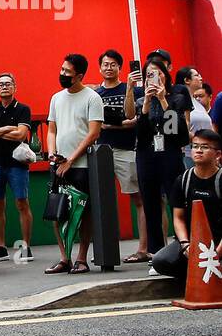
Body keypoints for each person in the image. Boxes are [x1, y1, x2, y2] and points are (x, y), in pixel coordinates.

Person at [45, 53, 104, 274]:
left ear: (79, 75)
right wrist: (52, 154)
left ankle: (81, 258)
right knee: (56, 210)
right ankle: (64, 257)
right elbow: (52, 129)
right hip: (58, 163)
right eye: (62, 70)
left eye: (67, 72)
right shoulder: (56, 98)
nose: (62, 74)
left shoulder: (92, 98)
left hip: (82, 165)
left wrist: (71, 159)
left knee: (83, 212)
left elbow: (94, 133)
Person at [127, 58, 192, 256]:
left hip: (169, 153)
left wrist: (163, 100)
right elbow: (142, 133)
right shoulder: (141, 101)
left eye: (158, 73)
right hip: (147, 155)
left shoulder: (177, 98)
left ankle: (186, 247)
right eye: (149, 74)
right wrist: (146, 103)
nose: (154, 78)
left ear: (166, 75)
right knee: (150, 203)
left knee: (177, 200)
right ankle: (155, 252)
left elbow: (175, 132)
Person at [93, 51, 151, 264]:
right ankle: (104, 250)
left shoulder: (134, 91)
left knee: (138, 198)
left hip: (128, 149)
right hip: (102, 150)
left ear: (120, 68)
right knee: (101, 201)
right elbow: (93, 123)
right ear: (99, 68)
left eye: (113, 64)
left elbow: (135, 119)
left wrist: (111, 124)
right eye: (105, 64)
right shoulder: (95, 94)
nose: (109, 68)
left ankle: (143, 248)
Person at [153, 129, 222, 279]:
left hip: (218, 242)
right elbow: (178, 217)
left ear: (218, 154)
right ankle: (194, 280)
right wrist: (185, 245)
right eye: (195, 146)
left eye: (204, 147)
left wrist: (217, 254)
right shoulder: (183, 180)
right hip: (193, 242)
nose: (198, 151)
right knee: (160, 261)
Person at [0, 73, 35, 263]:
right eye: (1, 84)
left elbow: (21, 134)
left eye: (8, 84)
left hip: (17, 164)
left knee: (22, 202)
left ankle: (26, 246)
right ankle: (1, 247)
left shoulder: (23, 109)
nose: (4, 87)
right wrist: (7, 129)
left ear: (15, 87)